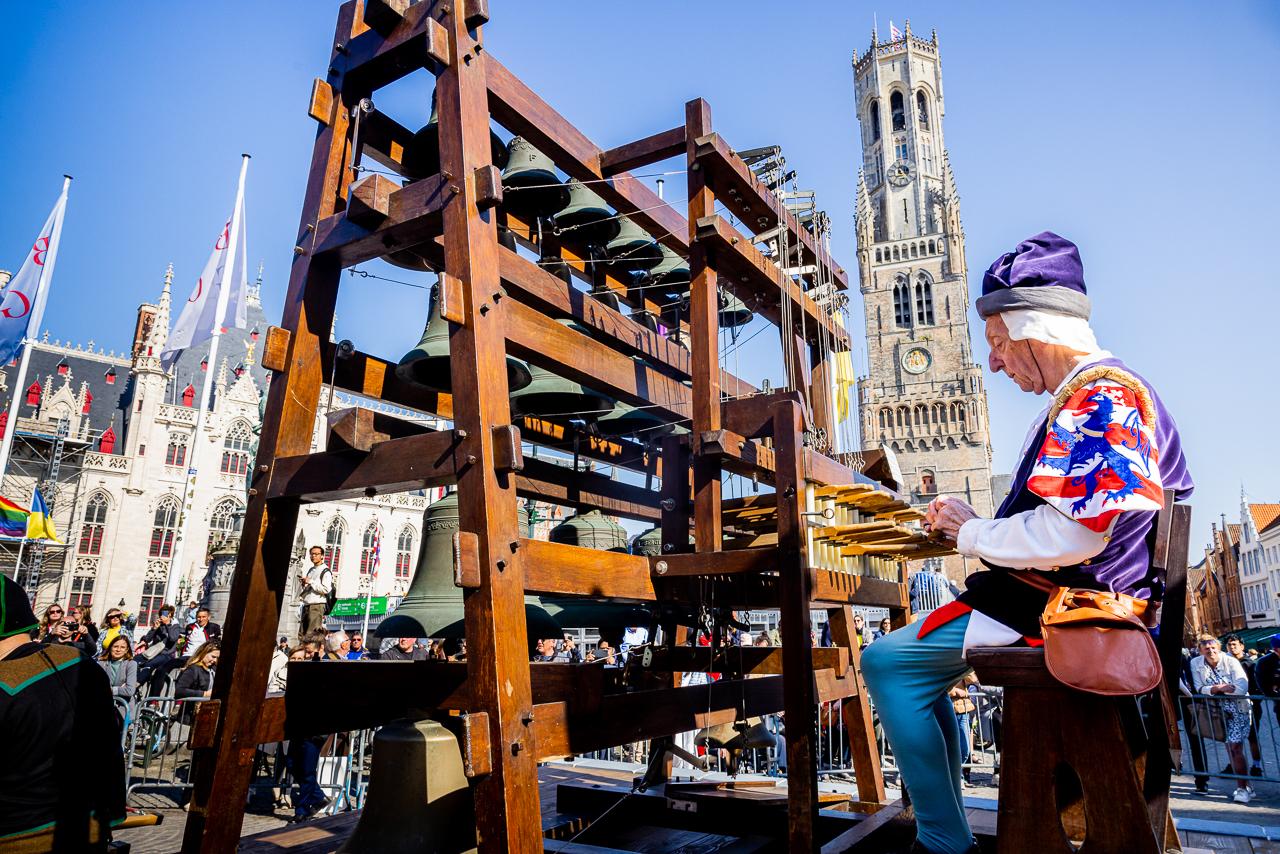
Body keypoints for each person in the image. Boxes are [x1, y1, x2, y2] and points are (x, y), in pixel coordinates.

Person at [862, 232, 1193, 854]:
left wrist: (970, 532)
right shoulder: (1089, 395)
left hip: (1069, 608)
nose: (993, 362)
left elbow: (1074, 532)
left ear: (1032, 328)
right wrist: (976, 524)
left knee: (886, 665)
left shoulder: (1103, 395)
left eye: (996, 342)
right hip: (1062, 597)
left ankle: (941, 840)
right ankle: (944, 817)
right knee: (911, 668)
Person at [0, 574, 126, 850]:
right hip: (89, 828)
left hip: (18, 837)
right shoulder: (82, 663)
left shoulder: (5, 684)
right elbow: (110, 745)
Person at [1190, 636, 1253, 803]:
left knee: (1235, 747)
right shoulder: (1196, 663)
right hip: (1218, 711)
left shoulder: (1231, 661)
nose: (1211, 651)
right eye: (1206, 649)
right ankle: (1246, 785)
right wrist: (1220, 687)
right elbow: (1199, 687)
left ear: (1219, 648)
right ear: (1200, 650)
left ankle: (1242, 788)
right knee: (1230, 747)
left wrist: (1215, 690)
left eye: (1213, 648)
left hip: (1239, 709)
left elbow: (1241, 687)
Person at [1225, 634, 1265, 776]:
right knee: (1232, 736)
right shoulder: (1226, 663)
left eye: (1235, 644)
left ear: (1242, 646)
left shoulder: (1250, 663)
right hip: (1231, 705)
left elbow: (1257, 685)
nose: (1232, 647)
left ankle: (1256, 765)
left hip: (1250, 704)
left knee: (1252, 735)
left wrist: (1254, 700)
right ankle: (1234, 763)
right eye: (1229, 644)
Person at [298, 546, 333, 638]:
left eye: (316, 554)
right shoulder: (311, 569)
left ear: (322, 556)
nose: (313, 556)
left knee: (311, 635)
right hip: (306, 604)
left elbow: (326, 589)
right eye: (312, 554)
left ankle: (311, 652)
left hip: (316, 605)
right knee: (302, 634)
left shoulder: (325, 571)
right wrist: (305, 584)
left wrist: (311, 581)